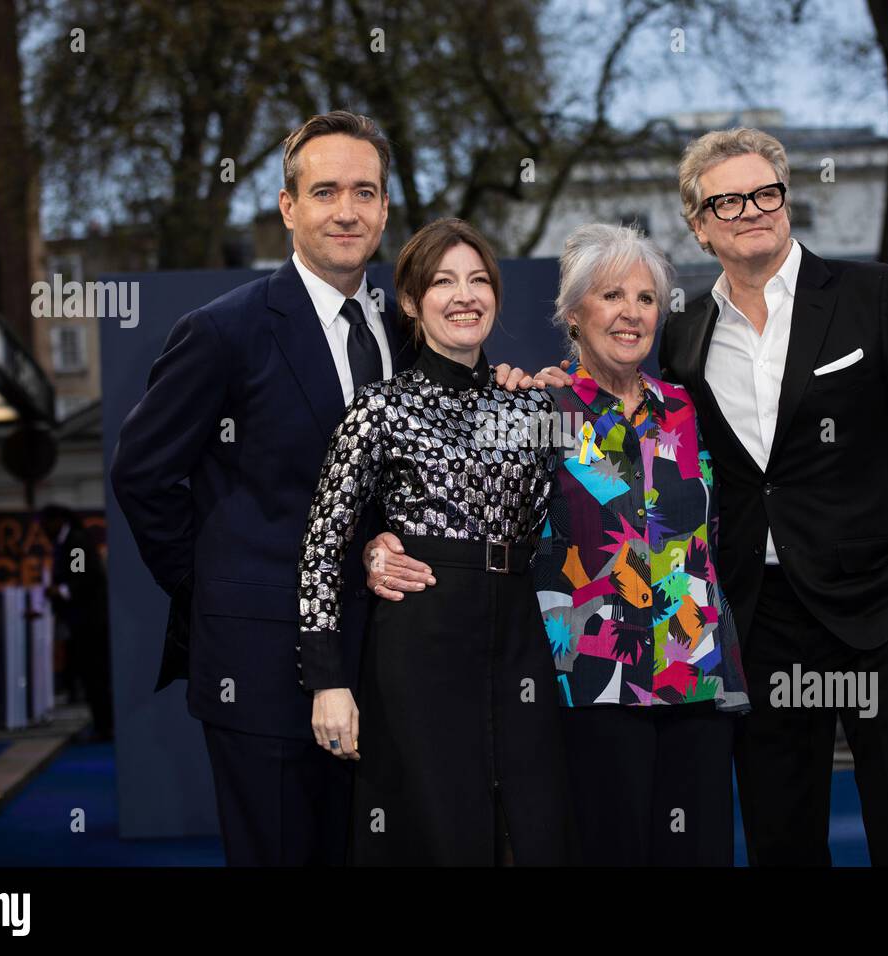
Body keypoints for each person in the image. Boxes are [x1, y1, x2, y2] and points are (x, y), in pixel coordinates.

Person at [363, 223, 749, 865]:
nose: (631, 313)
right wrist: (378, 543)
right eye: (610, 296)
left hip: (696, 676)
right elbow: (448, 508)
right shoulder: (535, 408)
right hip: (591, 684)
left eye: (646, 298)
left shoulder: (685, 406)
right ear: (573, 314)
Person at [658, 127, 888, 865]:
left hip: (879, 604)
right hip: (760, 616)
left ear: (787, 201)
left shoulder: (872, 295)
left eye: (765, 192)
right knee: (781, 836)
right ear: (700, 224)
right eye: (728, 201)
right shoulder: (685, 335)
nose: (751, 211)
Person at [112, 112, 413, 866]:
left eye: (364, 192)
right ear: (288, 208)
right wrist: (214, 584)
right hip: (261, 671)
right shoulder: (225, 331)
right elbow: (142, 473)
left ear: (383, 208)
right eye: (325, 192)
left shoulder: (402, 331)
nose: (346, 210)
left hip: (388, 665)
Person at [298, 218, 572, 865]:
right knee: (432, 832)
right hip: (419, 646)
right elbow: (322, 547)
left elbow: (553, 529)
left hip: (518, 645)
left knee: (529, 833)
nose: (465, 295)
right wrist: (327, 682)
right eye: (443, 282)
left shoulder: (532, 412)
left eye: (479, 280)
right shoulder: (378, 410)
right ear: (415, 304)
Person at [40, 505, 113, 741]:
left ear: (58, 520)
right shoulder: (66, 543)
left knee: (96, 677)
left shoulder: (76, 542)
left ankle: (105, 726)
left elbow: (84, 578)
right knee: (91, 678)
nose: (43, 530)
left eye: (46, 523)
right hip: (82, 621)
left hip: (90, 622)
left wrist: (59, 591)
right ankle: (102, 723)